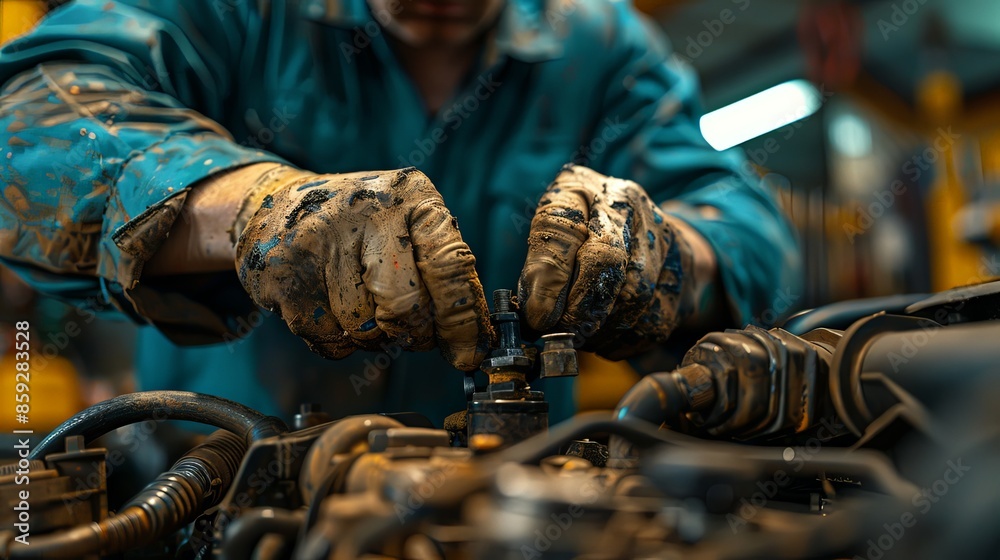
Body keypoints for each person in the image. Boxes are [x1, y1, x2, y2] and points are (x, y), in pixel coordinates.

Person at [0, 0, 801, 424]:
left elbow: (750, 230)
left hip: (515, 507)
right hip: (227, 488)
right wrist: (252, 208)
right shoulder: (233, 10)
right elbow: (24, 124)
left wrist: (674, 252)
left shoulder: (603, 45)